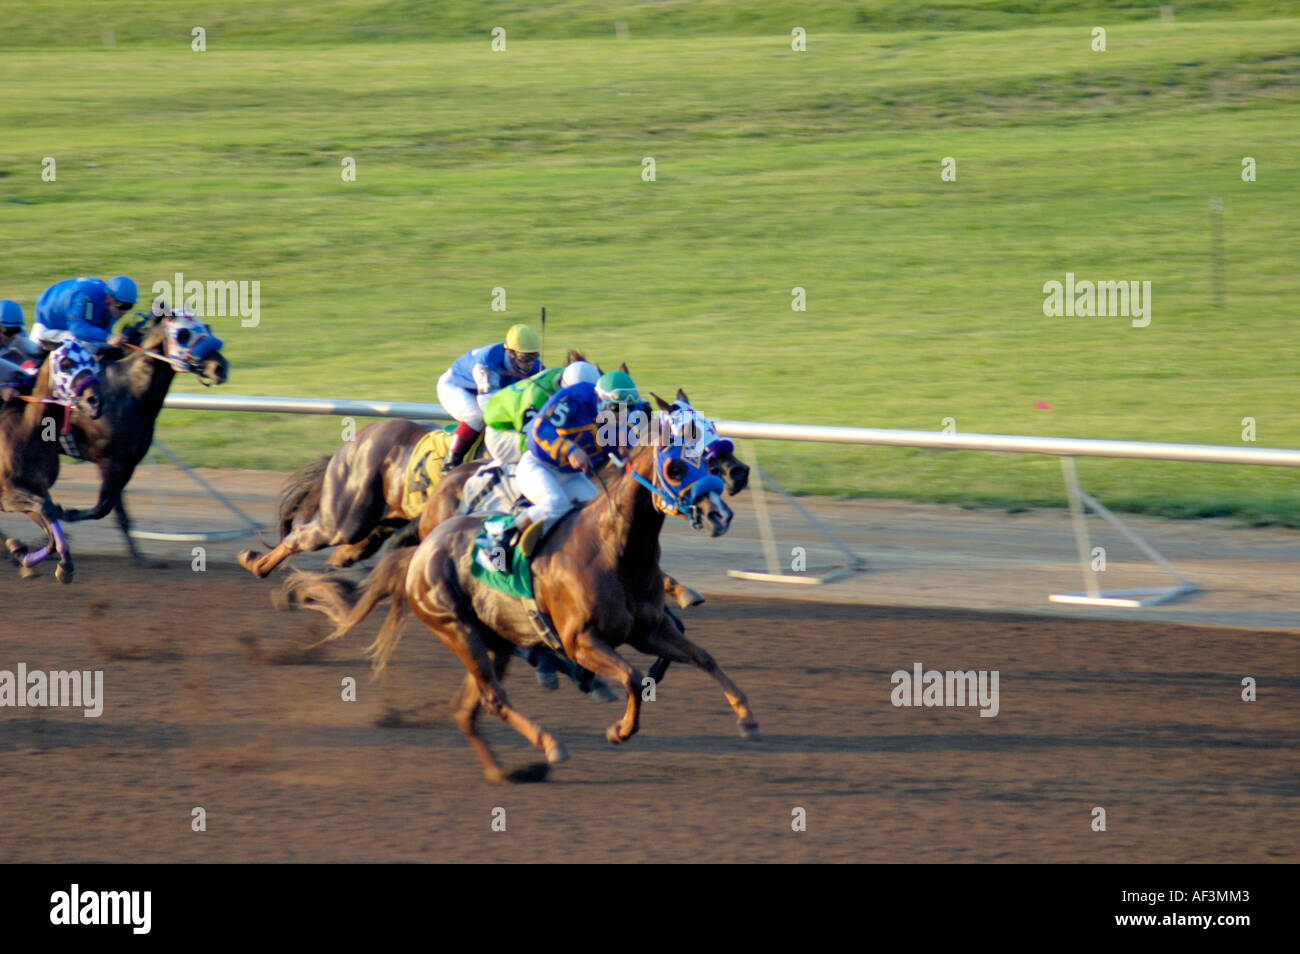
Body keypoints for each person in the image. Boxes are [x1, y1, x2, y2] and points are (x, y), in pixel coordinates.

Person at [487, 369, 642, 559]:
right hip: (538, 466)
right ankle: (501, 537)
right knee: (556, 504)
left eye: (629, 408)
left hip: (571, 476)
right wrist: (570, 450)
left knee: (600, 513)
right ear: (601, 400)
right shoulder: (575, 398)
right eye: (617, 408)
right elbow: (539, 430)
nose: (623, 415)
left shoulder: (624, 417)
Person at [436, 324, 543, 472]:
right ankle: (451, 463)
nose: (530, 363)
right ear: (510, 352)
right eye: (525, 358)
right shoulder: (487, 362)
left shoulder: (536, 367)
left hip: (488, 390)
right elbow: (488, 406)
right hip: (456, 386)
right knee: (476, 416)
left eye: (534, 356)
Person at [480, 358, 600, 466]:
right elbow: (531, 439)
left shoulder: (571, 374)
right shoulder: (536, 401)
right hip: (502, 431)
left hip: (517, 413)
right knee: (544, 455)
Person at [29, 275, 137, 352]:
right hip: (47, 324)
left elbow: (102, 331)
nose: (124, 312)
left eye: (129, 306)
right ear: (109, 298)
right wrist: (107, 337)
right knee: (86, 348)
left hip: (68, 317)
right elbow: (78, 329)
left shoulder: (112, 305)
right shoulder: (84, 296)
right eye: (122, 306)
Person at [0, 300, 43, 399]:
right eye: (8, 331)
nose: (12, 336)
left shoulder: (17, 337)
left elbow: (38, 354)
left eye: (16, 330)